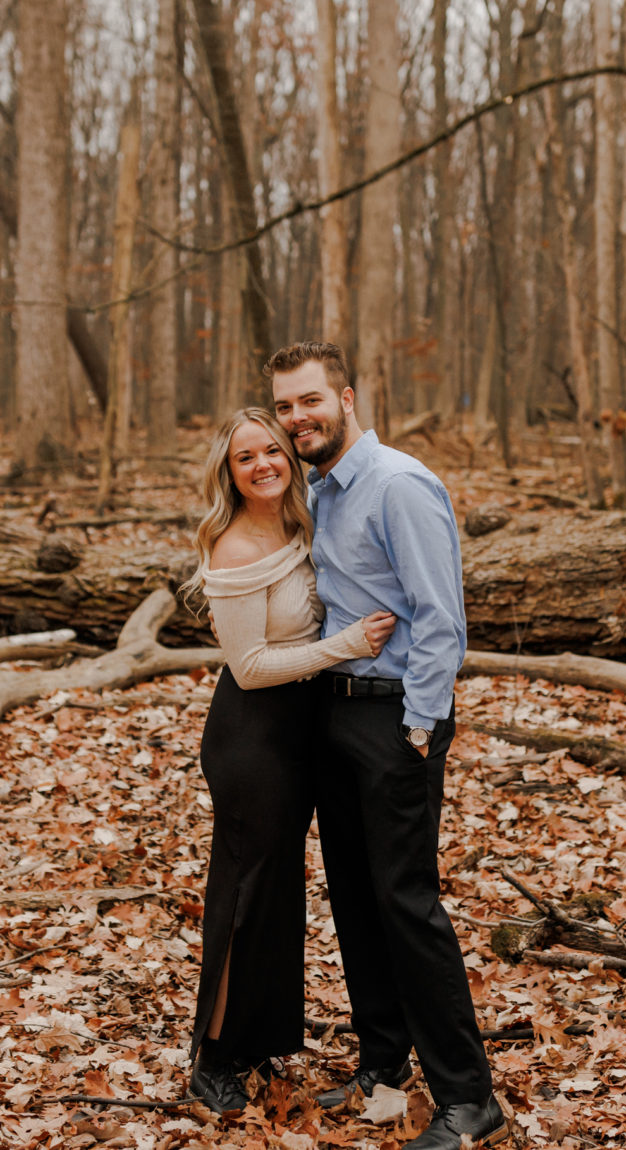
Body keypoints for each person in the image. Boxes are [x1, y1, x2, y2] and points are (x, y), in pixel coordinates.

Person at [266, 340, 506, 1150]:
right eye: (286, 406)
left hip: (396, 719)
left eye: (311, 400)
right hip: (336, 714)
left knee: (406, 904)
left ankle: (470, 1099)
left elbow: (443, 617)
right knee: (356, 898)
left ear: (347, 397)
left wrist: (419, 724)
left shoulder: (399, 484)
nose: (299, 418)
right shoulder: (325, 488)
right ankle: (383, 1067)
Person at [181, 407, 398, 1114]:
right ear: (230, 472)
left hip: (302, 728)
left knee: (280, 893)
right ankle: (213, 1056)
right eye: (246, 457)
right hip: (253, 734)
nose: (263, 464)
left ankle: (259, 1038)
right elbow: (248, 666)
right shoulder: (235, 546)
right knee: (246, 890)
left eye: (271, 450)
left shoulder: (303, 522)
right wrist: (347, 647)